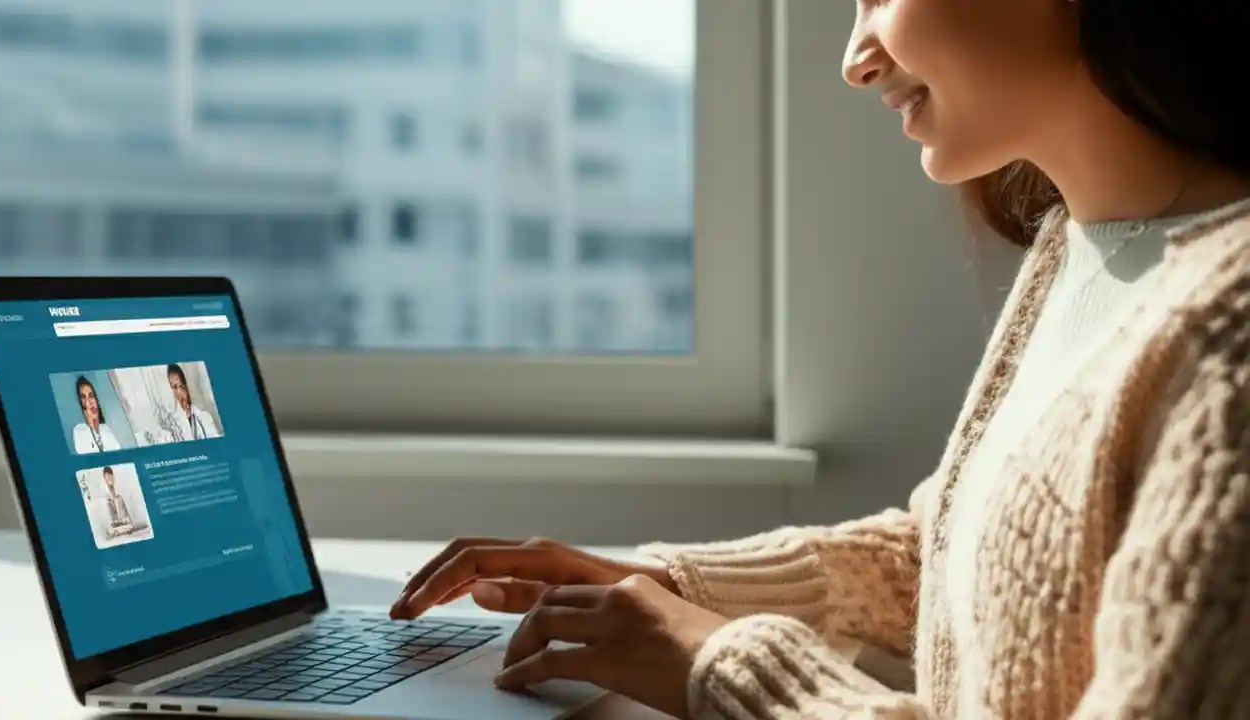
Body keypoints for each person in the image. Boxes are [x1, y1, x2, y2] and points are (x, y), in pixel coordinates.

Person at [389, 2, 1250, 719]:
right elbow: (964, 560)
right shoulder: (1082, 246)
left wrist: (722, 665)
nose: (854, 60)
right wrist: (667, 587)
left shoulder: (1230, 334)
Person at [166, 364, 219, 442]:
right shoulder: (171, 426)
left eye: (181, 385)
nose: (179, 392)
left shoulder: (204, 416)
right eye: (174, 387)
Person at [71, 375, 123, 455]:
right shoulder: (78, 431)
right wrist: (91, 425)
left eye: (91, 396)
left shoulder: (107, 429)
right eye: (84, 397)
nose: (89, 402)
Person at [101, 466, 134, 537]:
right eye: (106, 477)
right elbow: (110, 491)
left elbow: (116, 492)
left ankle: (123, 523)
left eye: (109, 476)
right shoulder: (106, 489)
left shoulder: (117, 486)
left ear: (112, 476)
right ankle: (117, 525)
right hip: (112, 503)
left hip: (119, 504)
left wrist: (115, 497)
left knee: (118, 499)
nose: (108, 479)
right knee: (110, 502)